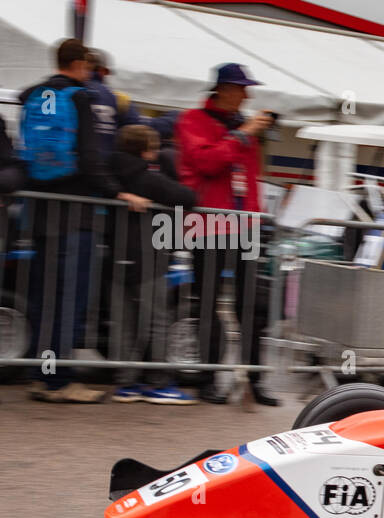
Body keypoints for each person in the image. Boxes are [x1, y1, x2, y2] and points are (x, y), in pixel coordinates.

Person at [19, 38, 149, 403]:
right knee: (69, 299)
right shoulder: (80, 98)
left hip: (43, 213)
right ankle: (60, 382)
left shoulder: (34, 95)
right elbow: (91, 158)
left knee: (46, 300)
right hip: (78, 216)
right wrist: (118, 192)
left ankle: (42, 375)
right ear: (79, 64)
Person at [175, 62, 278, 405]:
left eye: (247, 88)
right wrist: (242, 134)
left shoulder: (243, 128)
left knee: (252, 305)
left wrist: (256, 218)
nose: (246, 94)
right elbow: (206, 162)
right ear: (221, 89)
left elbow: (249, 180)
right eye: (240, 88)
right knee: (207, 305)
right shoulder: (193, 120)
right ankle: (208, 378)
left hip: (244, 226)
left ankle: (254, 378)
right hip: (207, 225)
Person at [109, 124, 198, 404]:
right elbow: (188, 198)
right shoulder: (147, 178)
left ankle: (125, 383)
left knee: (123, 322)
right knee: (157, 320)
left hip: (116, 255)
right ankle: (159, 382)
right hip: (147, 256)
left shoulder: (109, 172)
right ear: (146, 150)